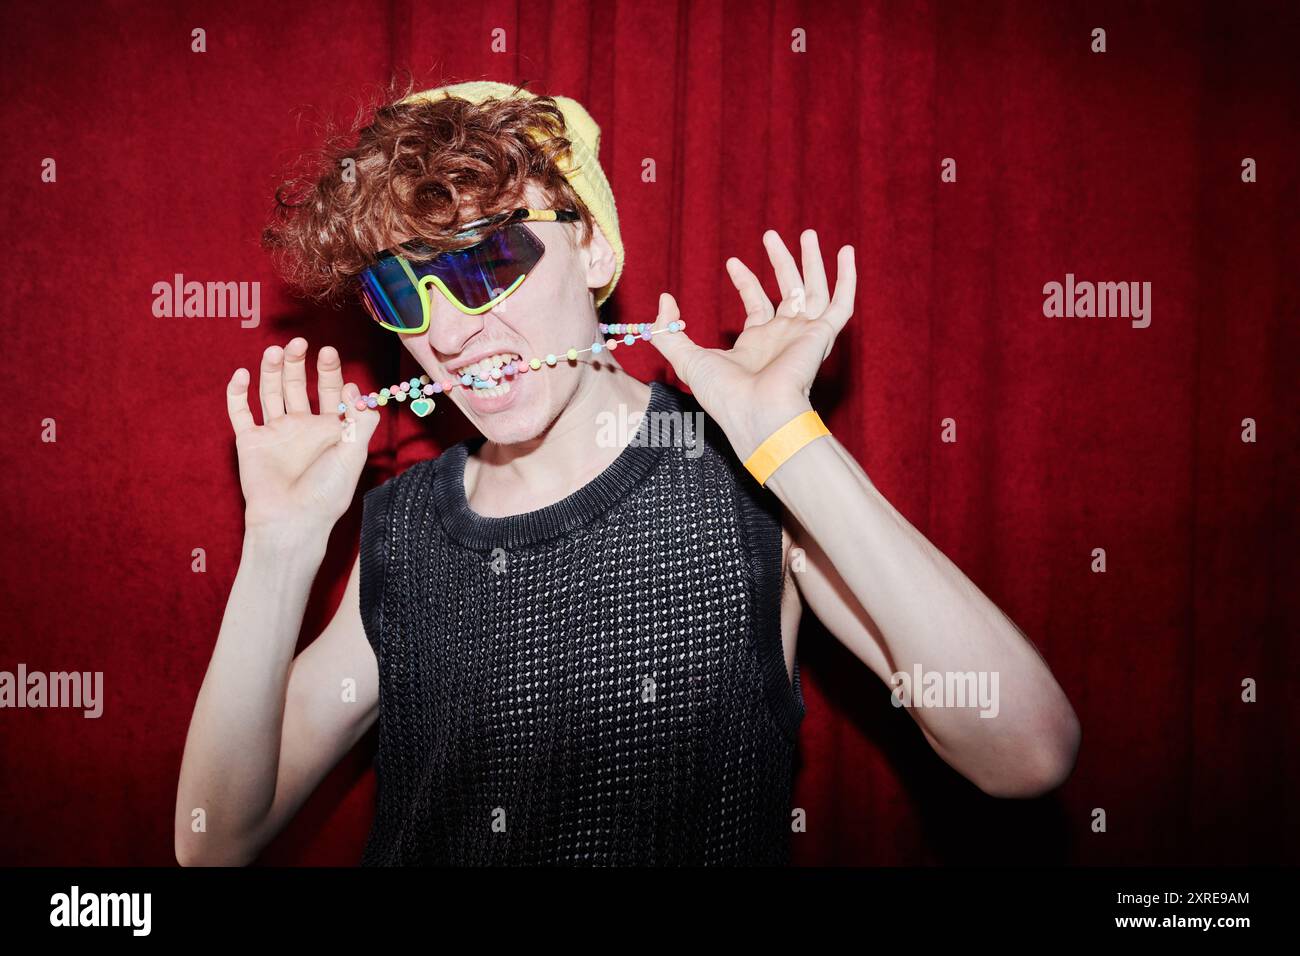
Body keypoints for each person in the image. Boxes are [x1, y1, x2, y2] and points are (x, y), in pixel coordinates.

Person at [175, 79, 1080, 866]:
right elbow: (214, 839)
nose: (446, 337)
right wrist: (280, 550)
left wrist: (787, 442)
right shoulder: (408, 530)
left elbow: (1028, 751)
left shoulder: (745, 482)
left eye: (488, 260)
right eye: (403, 291)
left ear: (595, 246)